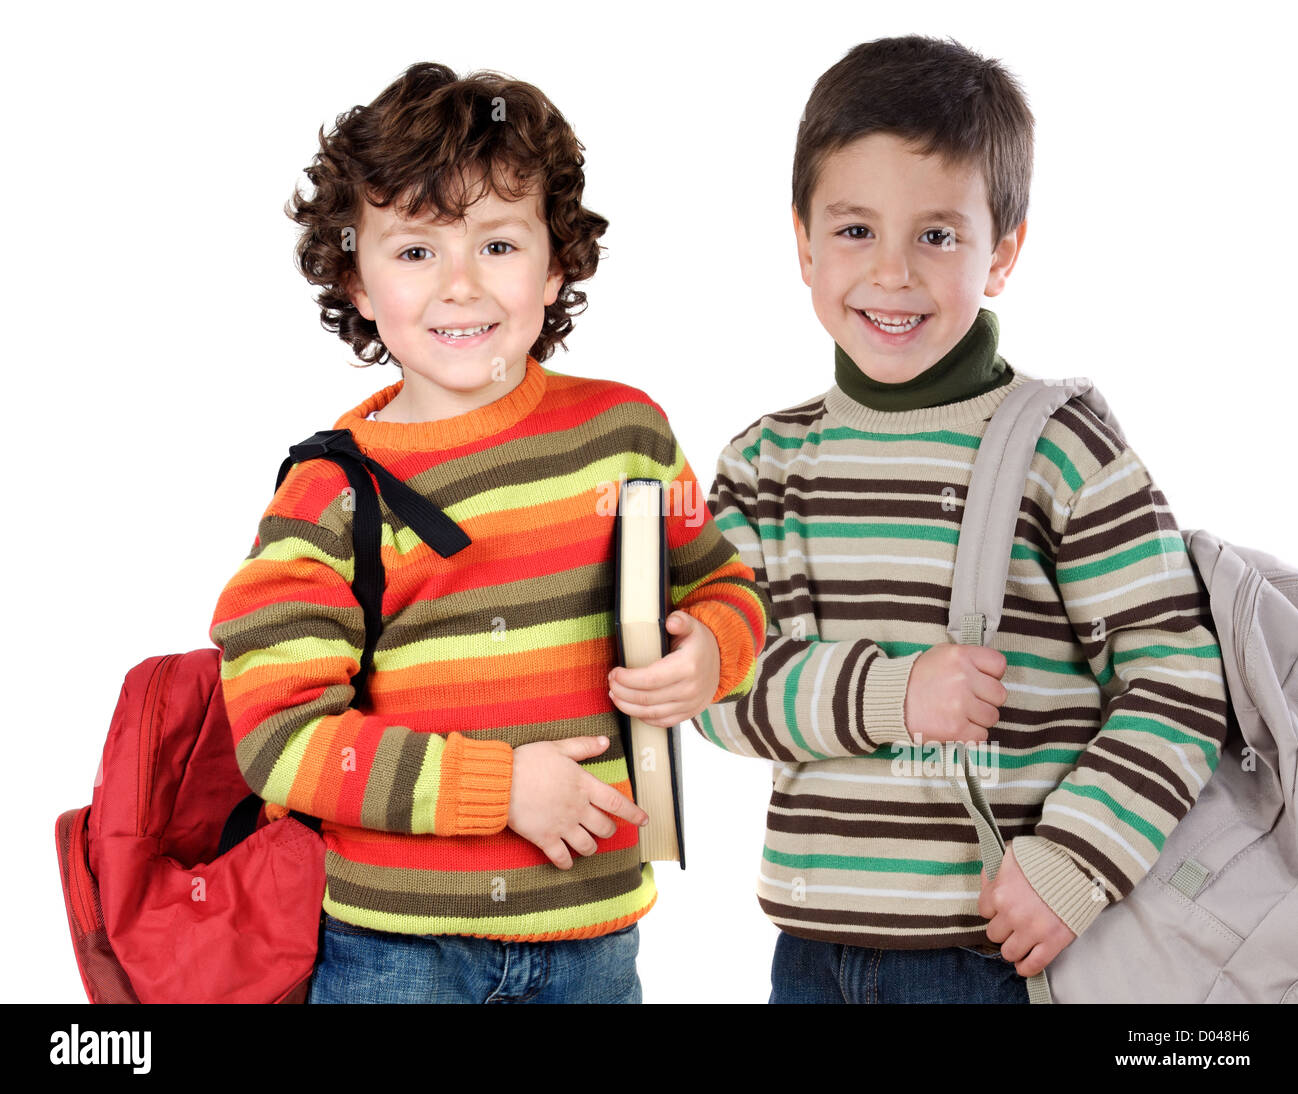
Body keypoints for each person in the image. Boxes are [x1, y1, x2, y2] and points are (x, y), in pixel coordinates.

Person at [675, 35, 1228, 1004]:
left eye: (936, 235)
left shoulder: (1061, 448)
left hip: (999, 960)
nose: (891, 273)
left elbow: (1175, 676)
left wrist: (1073, 863)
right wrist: (895, 697)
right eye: (853, 231)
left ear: (1002, 252)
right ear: (801, 241)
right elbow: (718, 686)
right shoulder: (761, 462)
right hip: (806, 952)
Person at [208, 61, 767, 1005]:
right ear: (357, 274)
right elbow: (279, 733)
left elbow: (724, 588)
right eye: (416, 251)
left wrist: (711, 655)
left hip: (593, 939)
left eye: (498, 246)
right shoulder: (329, 492)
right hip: (393, 952)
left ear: (556, 265)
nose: (460, 287)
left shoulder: (624, 436)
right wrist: (496, 790)